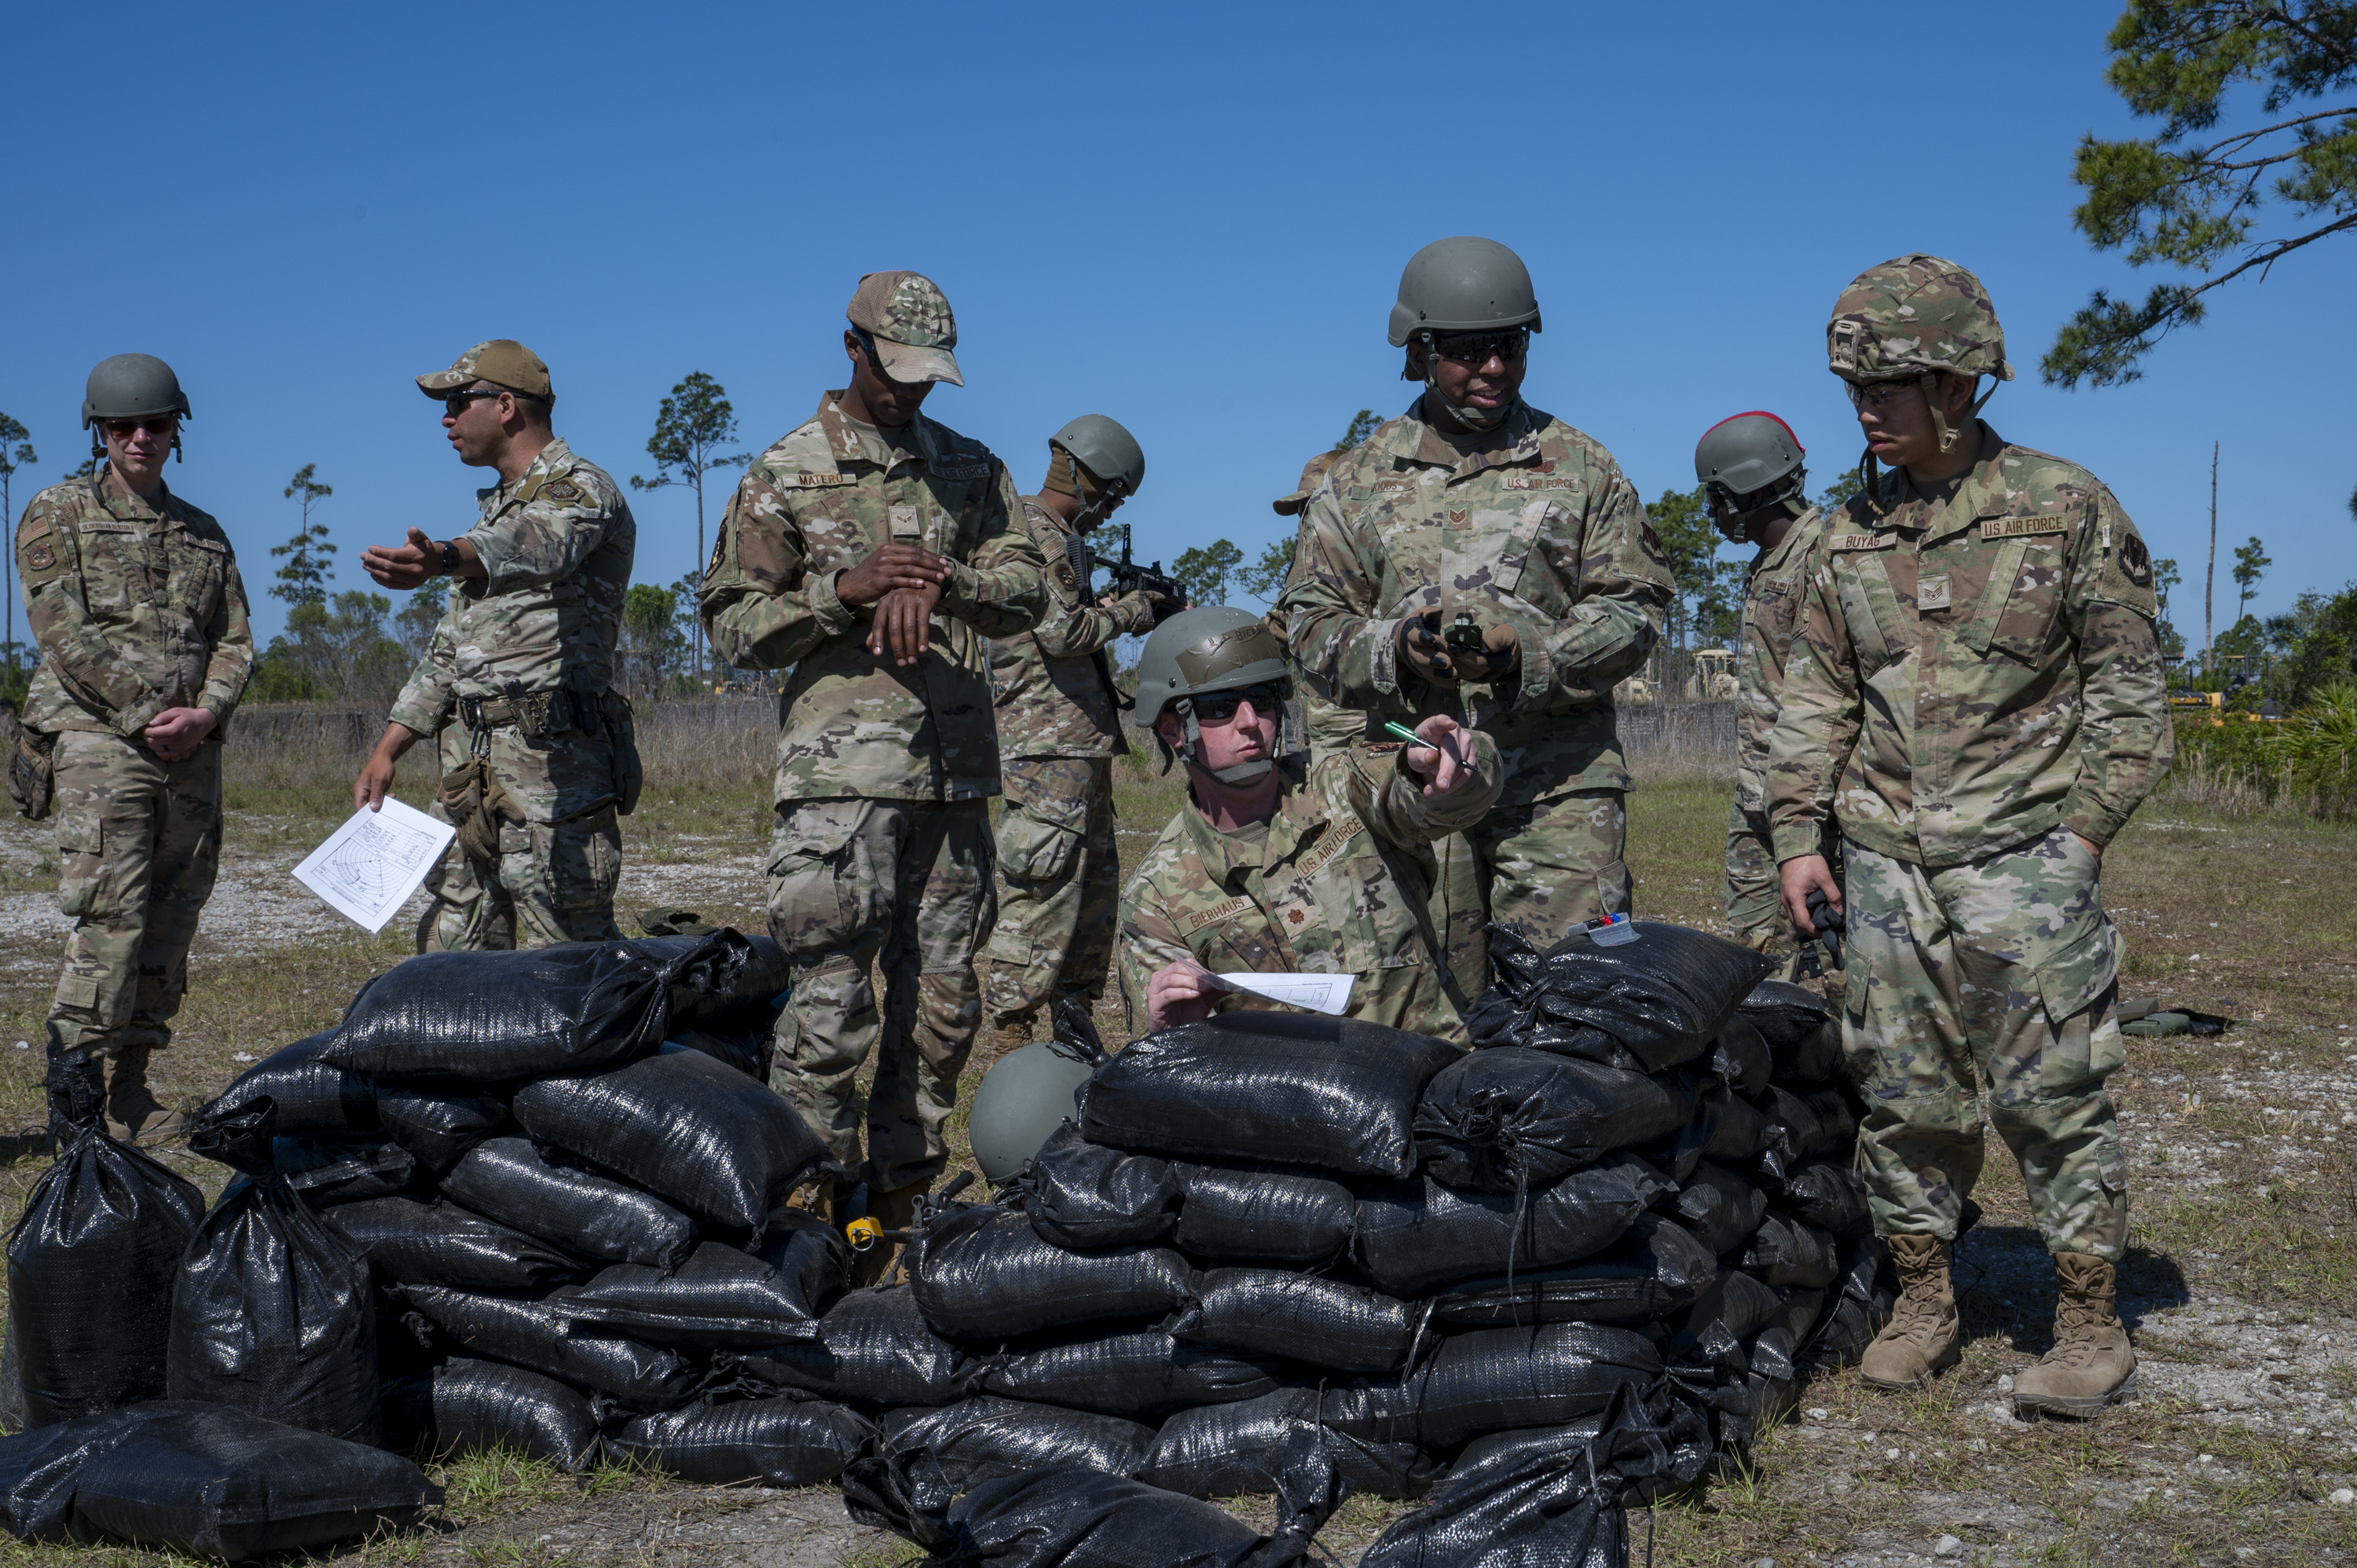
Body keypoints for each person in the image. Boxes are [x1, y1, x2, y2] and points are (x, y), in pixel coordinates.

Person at [1765, 255, 2172, 1418]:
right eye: (1855, 387)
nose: (1866, 409)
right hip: (1887, 869)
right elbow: (1815, 701)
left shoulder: (2065, 507)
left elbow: (2131, 697)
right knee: (1908, 1098)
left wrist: (2080, 844)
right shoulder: (1840, 539)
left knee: (2055, 1096)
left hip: (2026, 860)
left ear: (1959, 381)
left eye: (1889, 384)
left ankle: (2091, 1323)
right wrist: (1801, 838)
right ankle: (1926, 1300)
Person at [700, 270, 1050, 1273]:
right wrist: (841, 593)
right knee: (829, 1004)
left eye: (927, 379)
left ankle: (898, 1209)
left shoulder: (971, 470)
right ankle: (805, 1209)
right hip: (840, 789)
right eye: (894, 374)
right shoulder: (788, 471)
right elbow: (730, 622)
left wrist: (953, 580)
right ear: (850, 349)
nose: (909, 395)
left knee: (943, 1005)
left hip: (954, 781)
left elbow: (1028, 588)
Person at [1278, 236, 1674, 953]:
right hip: (1413, 782)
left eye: (1511, 346)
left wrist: (1527, 655)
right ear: (1420, 352)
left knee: (1573, 1008)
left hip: (1557, 792)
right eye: (1469, 350)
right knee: (1425, 1020)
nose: (1495, 367)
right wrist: (1394, 648)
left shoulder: (1584, 467)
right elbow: (1309, 625)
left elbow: (1636, 608)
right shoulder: (1357, 481)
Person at [13, 354, 252, 1138]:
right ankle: (75, 1105)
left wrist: (207, 714)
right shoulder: (58, 513)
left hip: (191, 751)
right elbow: (61, 633)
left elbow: (234, 639)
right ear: (100, 431)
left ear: (178, 428)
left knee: (172, 918)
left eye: (156, 423)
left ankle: (134, 1091)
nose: (141, 437)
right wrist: (151, 711)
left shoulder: (205, 536)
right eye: (124, 426)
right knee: (111, 917)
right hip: (99, 745)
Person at [353, 340, 639, 951]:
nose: (446, 418)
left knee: (565, 965)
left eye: (458, 401)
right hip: (470, 772)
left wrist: (448, 558)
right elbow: (450, 649)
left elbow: (542, 542)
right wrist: (389, 748)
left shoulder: (581, 489)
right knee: (458, 960)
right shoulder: (493, 515)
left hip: (552, 773)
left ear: (506, 405)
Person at [1119, 606, 1500, 1042]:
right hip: (1294, 1107)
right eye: (1221, 706)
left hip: (1435, 1084)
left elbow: (1430, 791)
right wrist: (1171, 1038)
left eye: (1261, 699)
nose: (1251, 723)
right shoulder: (1156, 897)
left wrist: (1445, 768)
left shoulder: (1343, 786)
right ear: (1172, 729)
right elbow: (1159, 1069)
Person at [981, 415, 1179, 1042]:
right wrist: (1136, 610)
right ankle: (1012, 1034)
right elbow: (1061, 634)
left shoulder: (1058, 538)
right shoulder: (1031, 532)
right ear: (1094, 481)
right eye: (1114, 497)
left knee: (1091, 896)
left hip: (1075, 746)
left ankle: (1074, 1028)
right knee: (1041, 895)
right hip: (1046, 748)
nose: (1109, 511)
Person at [1693, 411, 1840, 978]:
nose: (1715, 513)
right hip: (1757, 789)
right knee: (1755, 946)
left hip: (1807, 798)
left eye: (1719, 498)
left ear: (1747, 491)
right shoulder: (1767, 564)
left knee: (1818, 941)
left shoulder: (1823, 557)